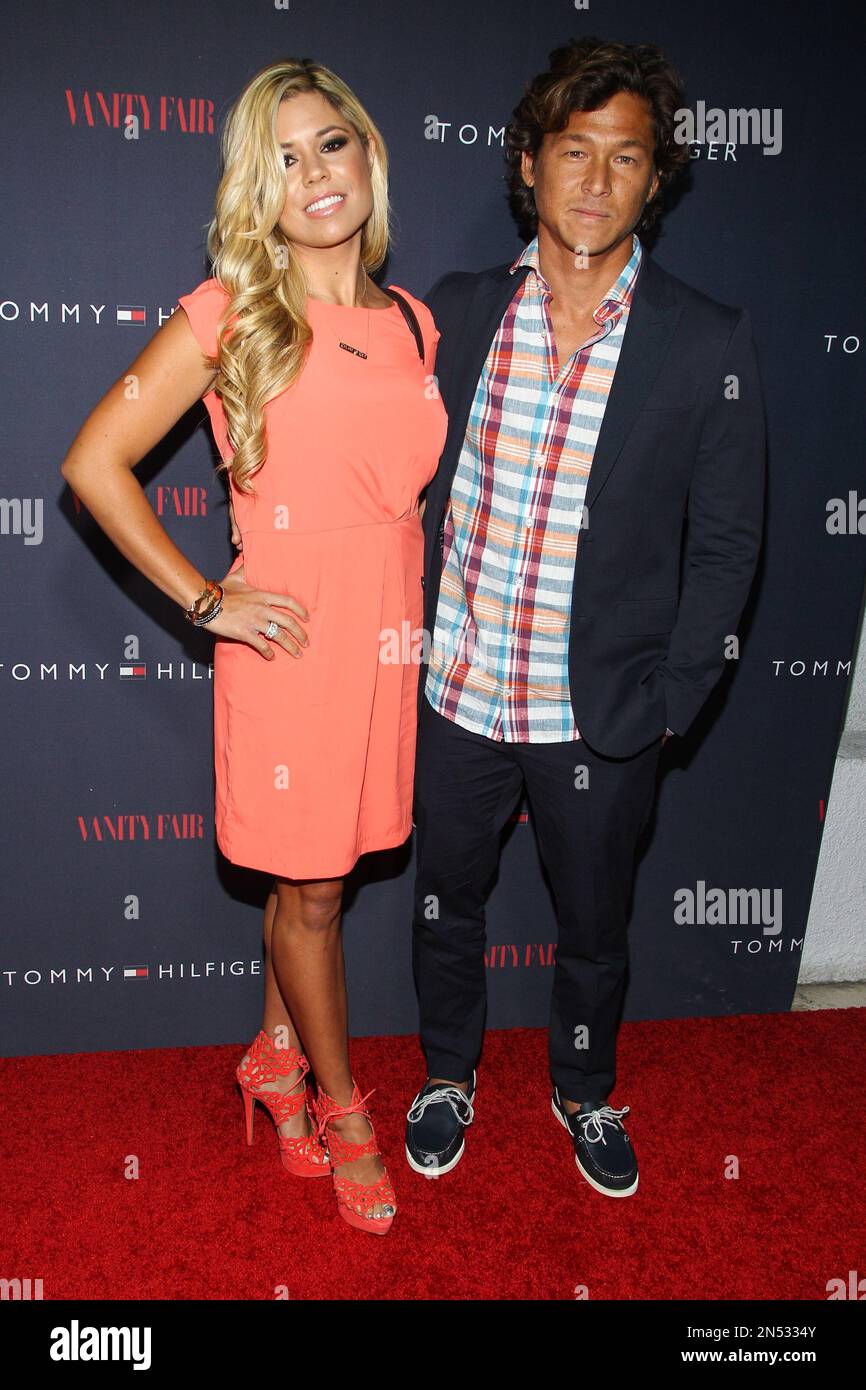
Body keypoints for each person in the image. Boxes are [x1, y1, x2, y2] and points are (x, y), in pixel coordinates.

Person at [61, 58, 447, 1235]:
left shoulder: (413, 320)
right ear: (256, 188)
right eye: (282, 158)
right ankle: (343, 1110)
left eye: (330, 142)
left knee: (318, 874)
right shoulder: (229, 313)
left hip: (383, 638)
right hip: (289, 647)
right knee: (314, 890)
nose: (314, 173)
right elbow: (93, 463)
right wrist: (203, 600)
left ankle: (275, 1057)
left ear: (368, 154)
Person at [405, 36, 765, 1197]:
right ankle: (447, 1074)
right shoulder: (456, 313)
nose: (596, 179)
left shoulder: (702, 339)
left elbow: (727, 544)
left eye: (625, 156)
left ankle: (582, 1087)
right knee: (444, 907)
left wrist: (669, 702)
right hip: (456, 692)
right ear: (528, 164)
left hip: (598, 714)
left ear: (655, 180)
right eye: (573, 150)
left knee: (595, 928)